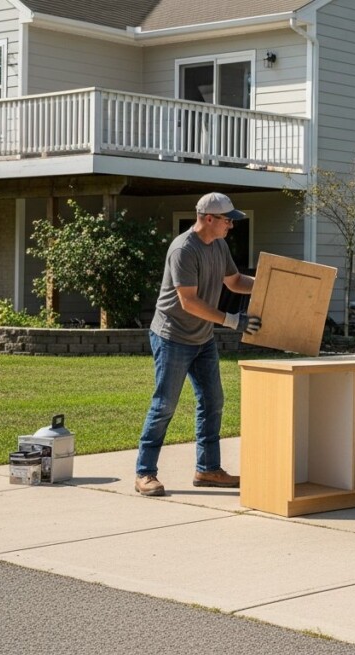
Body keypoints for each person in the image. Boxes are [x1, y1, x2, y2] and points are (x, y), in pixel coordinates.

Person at [135, 192, 262, 497]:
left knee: (212, 401)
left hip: (202, 338)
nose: (231, 225)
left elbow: (234, 281)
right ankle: (144, 473)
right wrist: (232, 320)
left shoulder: (218, 245)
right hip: (172, 337)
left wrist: (270, 285)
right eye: (227, 220)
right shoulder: (184, 249)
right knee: (164, 405)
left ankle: (208, 469)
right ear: (208, 219)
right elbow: (189, 302)